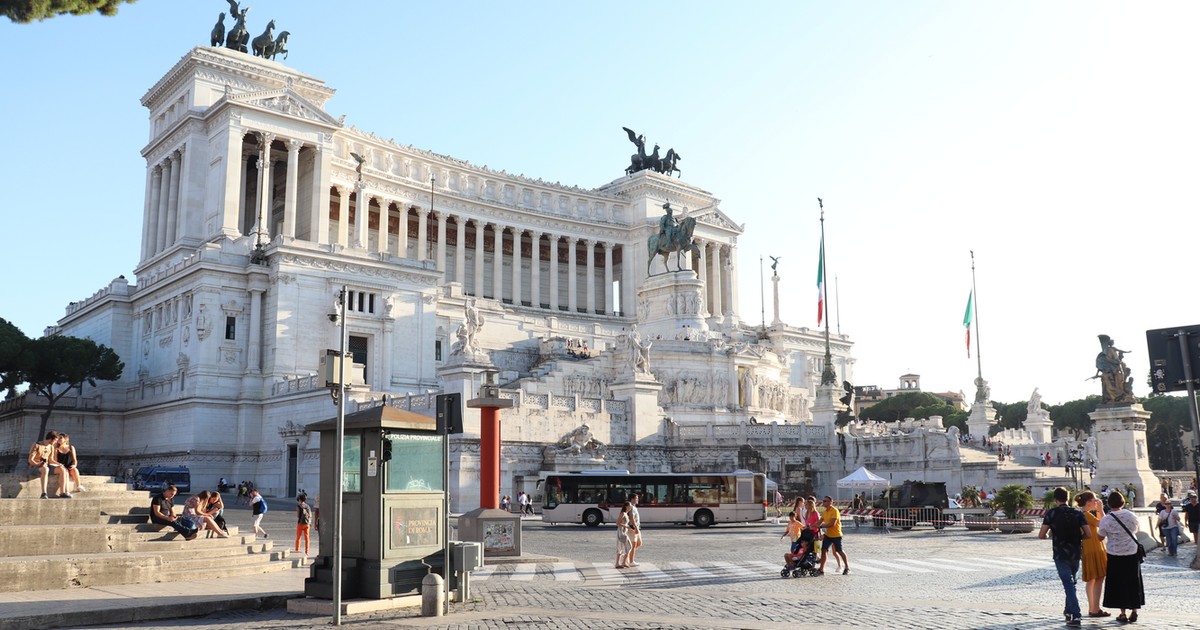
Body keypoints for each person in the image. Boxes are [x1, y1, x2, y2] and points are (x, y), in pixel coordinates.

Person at [1038, 487, 1089, 626]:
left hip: (1060, 553)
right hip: (1075, 552)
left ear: (1055, 499)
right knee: (1072, 583)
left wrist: (1051, 535)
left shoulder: (1052, 514)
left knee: (1068, 584)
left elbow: (1042, 535)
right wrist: (1078, 537)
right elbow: (1088, 534)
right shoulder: (1078, 513)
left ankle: (1077, 615)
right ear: (1068, 498)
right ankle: (1068, 611)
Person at [1096, 491, 1143, 623]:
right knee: (1133, 581)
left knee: (1118, 583)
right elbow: (1136, 530)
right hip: (1131, 552)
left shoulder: (1106, 519)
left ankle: (1122, 613)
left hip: (1115, 554)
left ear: (1109, 504)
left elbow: (1100, 537)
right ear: (1123, 502)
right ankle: (1134, 610)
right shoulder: (1131, 515)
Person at [1074, 491, 1109, 618]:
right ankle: (1095, 608)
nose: (1097, 501)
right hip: (1094, 547)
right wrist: (1101, 509)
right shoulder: (1086, 515)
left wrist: (1099, 510)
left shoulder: (1083, 514)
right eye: (1095, 500)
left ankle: (1092, 607)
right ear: (1088, 502)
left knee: (1092, 579)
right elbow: (1103, 523)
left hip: (1089, 548)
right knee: (1098, 578)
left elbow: (1100, 522)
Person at [27, 431, 67, 499]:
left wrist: (59, 464)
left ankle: (62, 492)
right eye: (55, 440)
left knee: (62, 469)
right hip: (35, 467)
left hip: (46, 466)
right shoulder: (37, 445)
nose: (56, 442)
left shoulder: (51, 447)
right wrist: (37, 464)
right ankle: (44, 493)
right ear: (51, 439)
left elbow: (51, 460)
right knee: (45, 469)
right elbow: (30, 460)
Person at [817, 496, 849, 576]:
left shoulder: (835, 511)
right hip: (828, 535)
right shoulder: (825, 512)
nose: (823, 502)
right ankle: (821, 569)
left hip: (836, 535)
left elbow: (832, 524)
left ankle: (847, 567)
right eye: (823, 501)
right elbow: (819, 522)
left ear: (830, 502)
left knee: (839, 551)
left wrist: (822, 526)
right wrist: (810, 527)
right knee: (824, 550)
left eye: (825, 501)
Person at [615, 501, 633, 568]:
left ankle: (619, 563)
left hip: (624, 532)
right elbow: (617, 522)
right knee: (629, 546)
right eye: (630, 506)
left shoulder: (626, 514)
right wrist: (627, 526)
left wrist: (628, 527)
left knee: (621, 547)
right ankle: (623, 562)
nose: (631, 507)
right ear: (626, 506)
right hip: (621, 532)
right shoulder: (623, 513)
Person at [626, 493, 642, 566]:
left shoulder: (634, 506)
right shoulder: (631, 507)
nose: (638, 499)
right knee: (633, 544)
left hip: (636, 527)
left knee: (639, 543)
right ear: (632, 499)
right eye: (636, 498)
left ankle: (628, 557)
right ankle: (631, 561)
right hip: (632, 528)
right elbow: (631, 518)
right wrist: (635, 528)